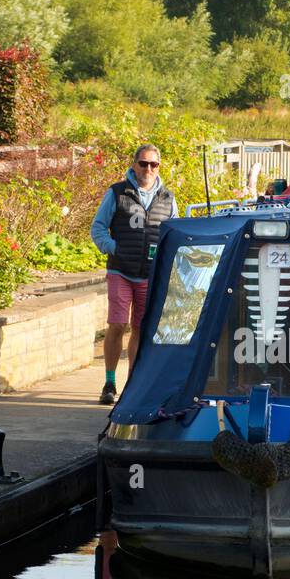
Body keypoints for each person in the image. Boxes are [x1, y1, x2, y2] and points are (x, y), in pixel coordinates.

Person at [91, 144, 178, 404]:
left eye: (154, 164)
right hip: (121, 270)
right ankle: (109, 381)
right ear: (134, 165)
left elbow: (174, 233)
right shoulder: (118, 192)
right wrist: (113, 248)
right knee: (117, 324)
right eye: (143, 163)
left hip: (149, 275)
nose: (148, 169)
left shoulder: (167, 197)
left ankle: (132, 384)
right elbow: (98, 227)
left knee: (140, 328)